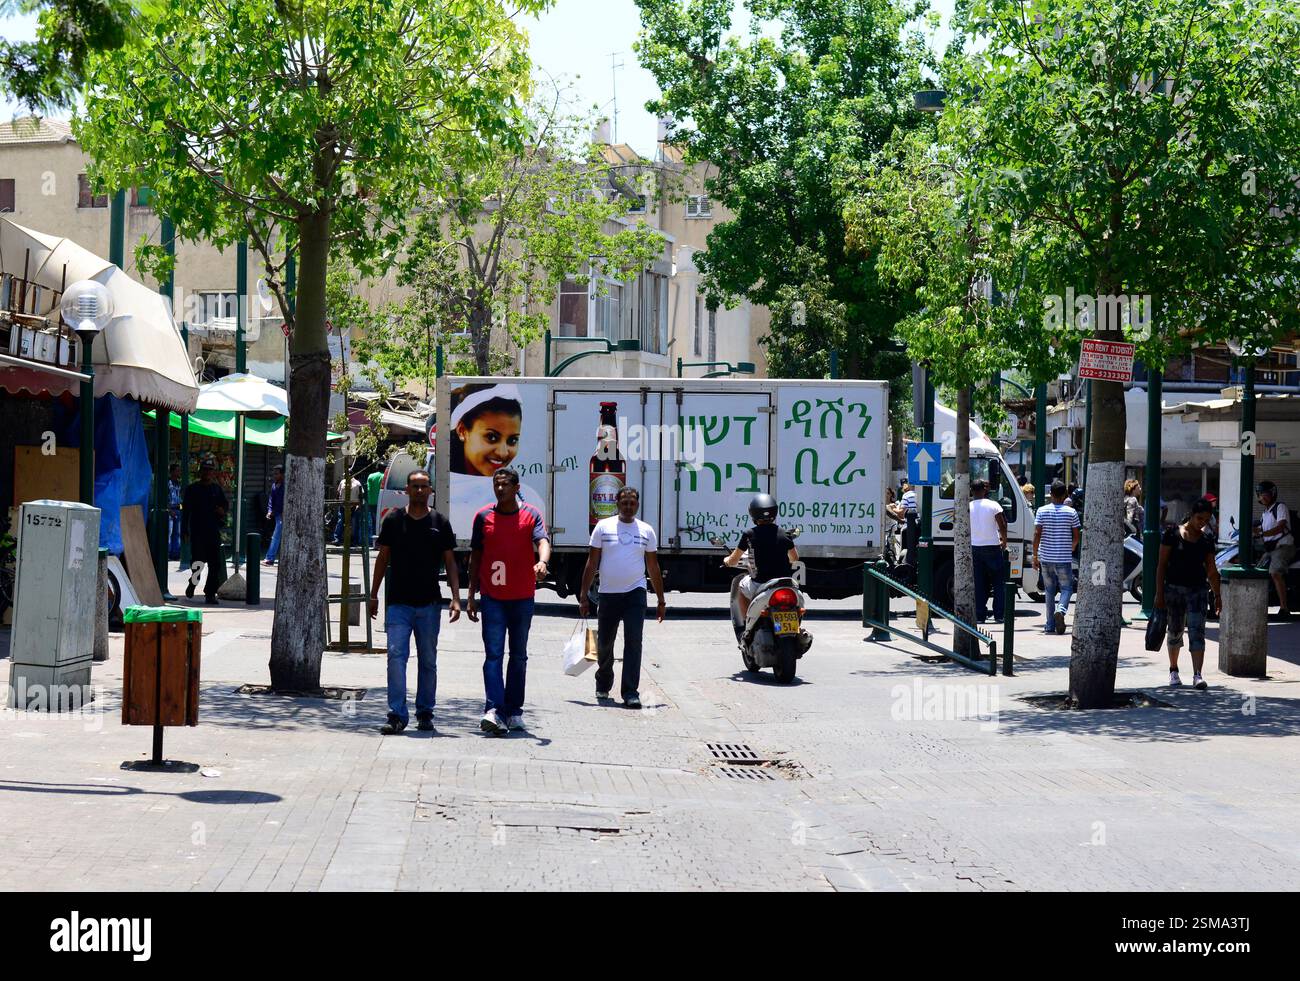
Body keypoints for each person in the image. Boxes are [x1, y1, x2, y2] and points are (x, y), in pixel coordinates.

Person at [368, 469, 461, 734]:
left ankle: (425, 712)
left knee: (428, 660)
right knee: (396, 657)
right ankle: (397, 714)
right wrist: (373, 595)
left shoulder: (439, 522)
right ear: (406, 490)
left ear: (431, 490)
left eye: (424, 487)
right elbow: (382, 559)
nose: (420, 491)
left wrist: (456, 598)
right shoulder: (393, 520)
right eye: (415, 486)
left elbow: (450, 562)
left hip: (429, 604)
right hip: (398, 603)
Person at [467, 467, 551, 735]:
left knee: (518, 656)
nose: (500, 489)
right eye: (496, 485)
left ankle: (514, 711)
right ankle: (494, 709)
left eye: (505, 485)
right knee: (493, 655)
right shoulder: (483, 517)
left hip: (522, 598)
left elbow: (543, 540)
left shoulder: (530, 516)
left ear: (516, 488)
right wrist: (471, 594)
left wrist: (542, 561)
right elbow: (475, 557)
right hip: (492, 598)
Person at [579, 486, 666, 708]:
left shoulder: (646, 531)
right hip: (608, 594)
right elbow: (592, 562)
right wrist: (583, 595)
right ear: (617, 504)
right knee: (605, 643)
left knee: (634, 641)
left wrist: (661, 600)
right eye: (624, 502)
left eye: (632, 503)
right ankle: (603, 683)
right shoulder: (603, 527)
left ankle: (630, 691)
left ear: (637, 505)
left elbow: (653, 567)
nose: (628, 506)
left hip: (635, 593)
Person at [448, 383, 546, 530]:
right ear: (462, 431)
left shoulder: (528, 498)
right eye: (491, 437)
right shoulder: (449, 494)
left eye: (512, 440)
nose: (503, 452)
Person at [1155, 497, 1222, 689]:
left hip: (1198, 591)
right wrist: (1159, 595)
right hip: (1173, 590)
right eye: (1200, 519)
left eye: (1206, 520)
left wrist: (1217, 596)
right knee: (1175, 631)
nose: (1202, 524)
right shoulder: (1172, 534)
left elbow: (1211, 570)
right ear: (1192, 515)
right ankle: (1173, 670)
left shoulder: (1207, 540)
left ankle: (1197, 675)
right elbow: (1161, 566)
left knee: (1197, 632)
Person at [723, 493, 799, 626]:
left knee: (741, 586)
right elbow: (795, 558)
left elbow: (734, 560)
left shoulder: (749, 534)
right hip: (784, 583)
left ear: (753, 514)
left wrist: (727, 561)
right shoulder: (785, 534)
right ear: (774, 512)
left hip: (760, 583)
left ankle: (748, 625)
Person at [1032, 479, 1081, 635]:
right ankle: (1061, 610)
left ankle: (1049, 625)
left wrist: (1035, 555)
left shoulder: (1041, 511)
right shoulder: (1071, 512)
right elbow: (1076, 535)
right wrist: (1072, 546)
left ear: (1051, 494)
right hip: (1063, 558)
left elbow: (1037, 533)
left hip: (1046, 557)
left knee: (1049, 590)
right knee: (1067, 588)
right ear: (1065, 494)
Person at [181, 457, 228, 605]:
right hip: (198, 532)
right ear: (200, 472)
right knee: (198, 563)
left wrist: (222, 511)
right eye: (205, 470)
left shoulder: (217, 489)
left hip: (213, 532)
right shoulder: (192, 489)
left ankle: (210, 594)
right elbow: (186, 512)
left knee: (215, 564)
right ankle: (193, 582)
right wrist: (184, 531)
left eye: (210, 470)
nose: (207, 473)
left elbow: (224, 507)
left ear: (213, 472)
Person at [970, 478, 1009, 623]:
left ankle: (980, 615)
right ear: (984, 490)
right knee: (998, 582)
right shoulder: (994, 505)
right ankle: (999, 615)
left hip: (974, 547)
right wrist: (1004, 541)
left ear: (972, 491)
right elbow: (1002, 524)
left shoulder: (968, 506)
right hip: (992, 547)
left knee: (979, 583)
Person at [1257, 480, 1294, 619]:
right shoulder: (1265, 513)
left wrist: (1262, 533)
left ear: (1272, 494)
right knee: (1257, 572)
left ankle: (1284, 608)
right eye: (1260, 495)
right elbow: (1262, 529)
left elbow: (1280, 526)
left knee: (1274, 572)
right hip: (1270, 550)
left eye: (1265, 494)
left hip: (1284, 547)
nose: (1262, 497)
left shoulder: (1280, 507)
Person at [332, 473, 364, 546]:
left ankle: (354, 541)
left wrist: (359, 506)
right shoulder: (342, 482)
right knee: (340, 522)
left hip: (353, 507)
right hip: (343, 506)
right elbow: (338, 493)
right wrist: (336, 502)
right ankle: (337, 539)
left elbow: (361, 495)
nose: (344, 476)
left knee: (353, 524)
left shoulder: (357, 483)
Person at [263, 465, 285, 565]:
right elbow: (271, 500)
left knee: (276, 536)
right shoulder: (274, 486)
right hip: (276, 514)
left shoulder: (286, 486)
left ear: (282, 474)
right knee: (277, 536)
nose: (275, 476)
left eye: (277, 473)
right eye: (274, 474)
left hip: (283, 515)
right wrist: (269, 511)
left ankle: (270, 558)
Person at [167, 464, 182, 560]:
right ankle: (168, 553)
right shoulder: (168, 483)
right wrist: (169, 510)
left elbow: (181, 499)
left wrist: (181, 508)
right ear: (172, 472)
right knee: (170, 532)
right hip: (170, 509)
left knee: (177, 532)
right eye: (177, 471)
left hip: (178, 509)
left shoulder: (179, 484)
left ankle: (175, 554)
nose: (178, 473)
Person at [366, 467, 383, 545]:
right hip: (381, 502)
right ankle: (378, 541)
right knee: (379, 522)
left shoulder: (371, 476)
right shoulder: (384, 476)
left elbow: (368, 489)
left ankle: (371, 541)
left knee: (371, 522)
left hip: (370, 502)